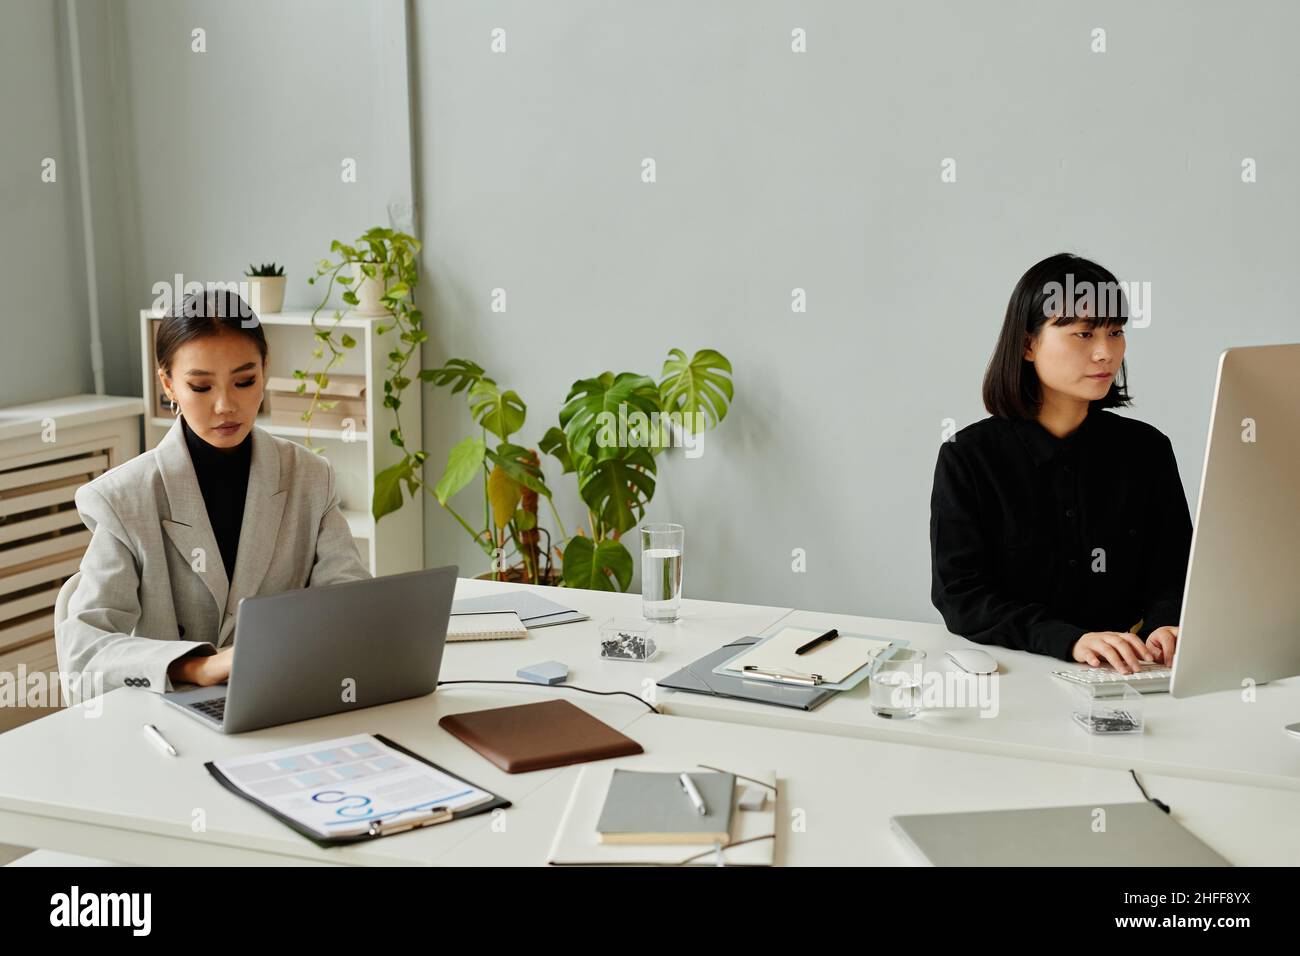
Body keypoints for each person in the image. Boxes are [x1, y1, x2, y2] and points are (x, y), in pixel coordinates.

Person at [56, 289, 370, 697]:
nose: (226, 405)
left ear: (265, 370)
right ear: (168, 384)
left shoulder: (311, 477)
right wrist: (197, 666)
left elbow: (352, 608)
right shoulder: (124, 499)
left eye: (244, 381)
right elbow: (85, 654)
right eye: (201, 387)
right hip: (168, 716)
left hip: (283, 701)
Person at [929, 253, 1192, 674]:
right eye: (1083, 334)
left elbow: (1176, 571)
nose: (1107, 353)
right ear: (1028, 344)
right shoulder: (969, 456)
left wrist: (1166, 626)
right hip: (1018, 672)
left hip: (1134, 673)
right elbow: (961, 597)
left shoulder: (1147, 449)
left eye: (1116, 331)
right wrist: (1070, 640)